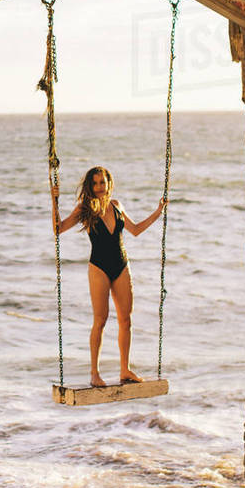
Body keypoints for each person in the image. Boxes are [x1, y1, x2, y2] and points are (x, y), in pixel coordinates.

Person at [52, 166, 165, 387]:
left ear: (109, 183)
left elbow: (135, 229)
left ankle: (125, 369)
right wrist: (54, 201)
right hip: (99, 267)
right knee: (100, 320)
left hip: (121, 264)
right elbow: (58, 228)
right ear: (90, 187)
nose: (99, 188)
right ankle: (94, 373)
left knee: (125, 319)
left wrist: (158, 211)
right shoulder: (85, 208)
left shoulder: (117, 206)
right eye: (94, 184)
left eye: (102, 182)